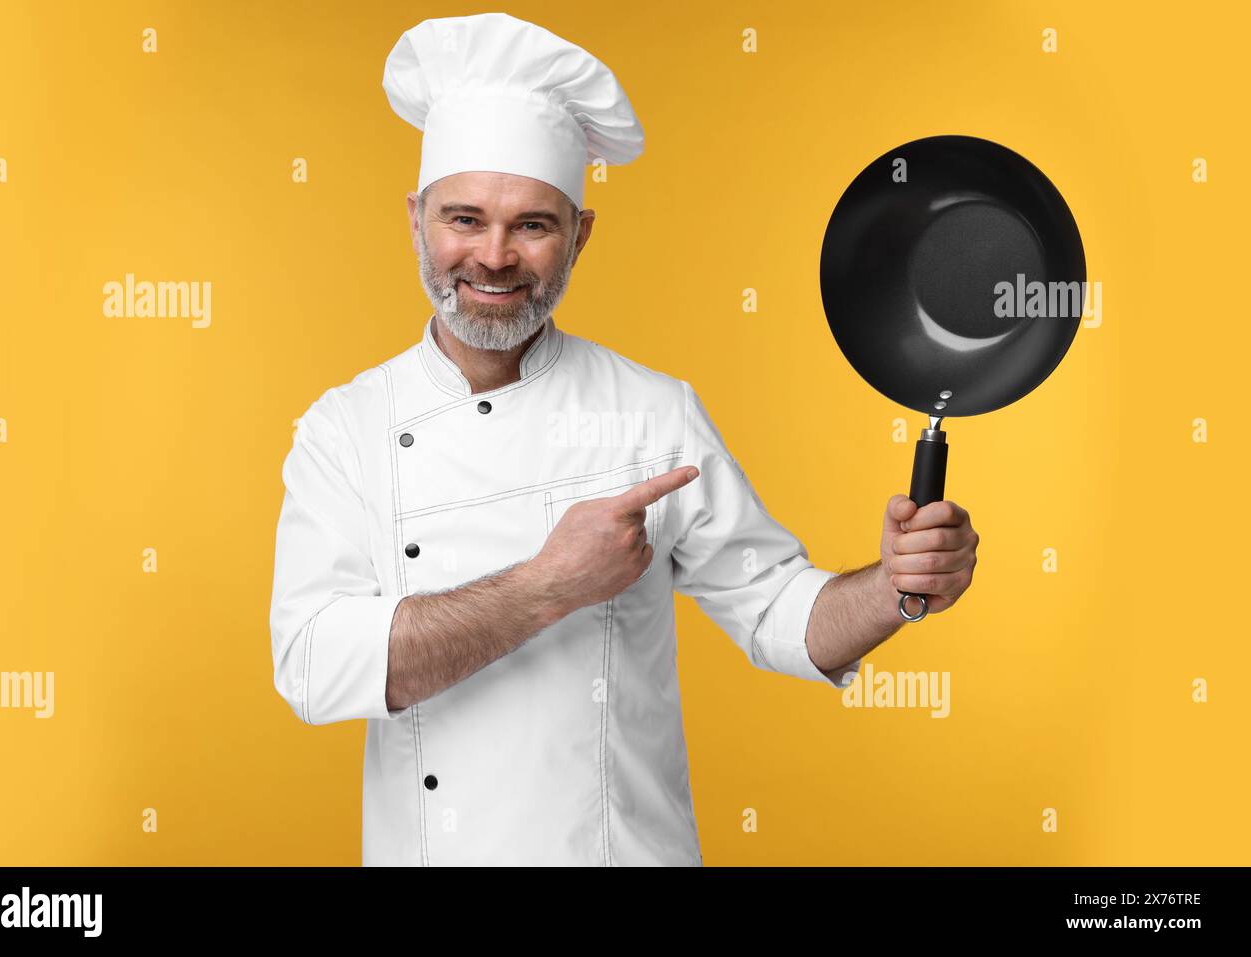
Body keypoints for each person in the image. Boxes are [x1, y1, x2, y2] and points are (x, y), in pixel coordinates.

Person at [269, 12, 979, 866]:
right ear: (416, 220)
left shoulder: (651, 412)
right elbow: (312, 667)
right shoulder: (345, 431)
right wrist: (548, 585)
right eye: (464, 218)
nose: (493, 258)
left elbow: (780, 612)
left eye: (533, 224)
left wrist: (896, 587)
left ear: (581, 236)